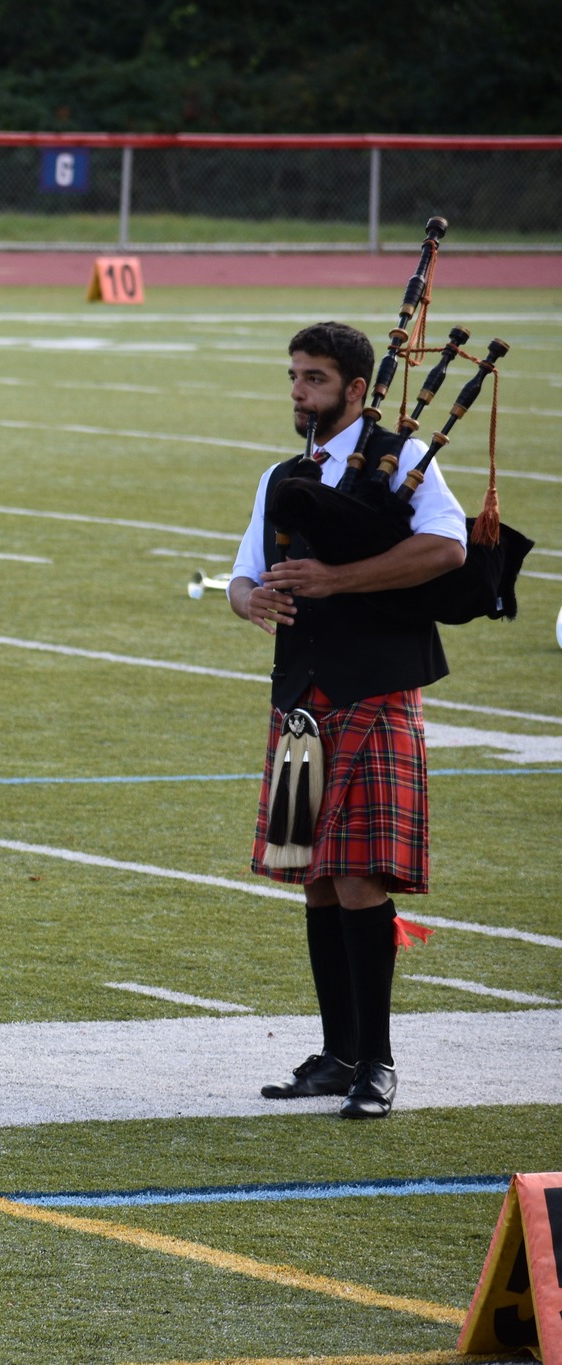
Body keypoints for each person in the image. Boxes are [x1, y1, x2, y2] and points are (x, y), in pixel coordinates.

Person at [229, 320, 466, 1121]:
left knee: (361, 875)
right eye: (294, 377)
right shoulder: (282, 474)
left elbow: (447, 549)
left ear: (358, 389)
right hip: (301, 697)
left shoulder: (403, 464)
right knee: (319, 879)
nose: (299, 392)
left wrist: (339, 579)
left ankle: (379, 1062)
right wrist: (252, 598)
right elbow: (242, 577)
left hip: (375, 690)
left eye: (316, 380)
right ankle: (335, 1053)